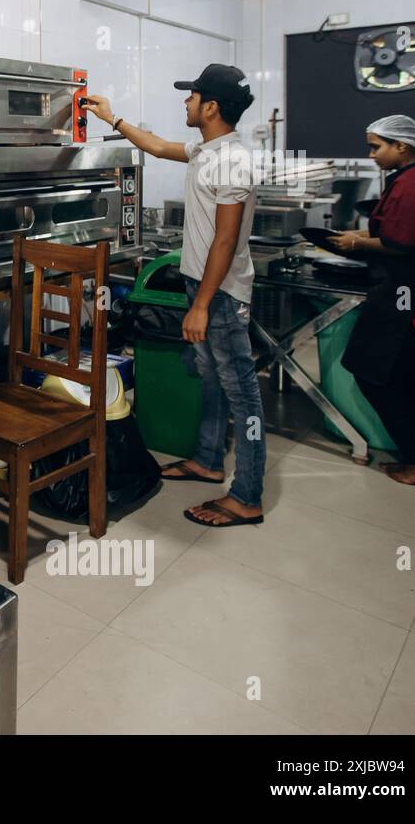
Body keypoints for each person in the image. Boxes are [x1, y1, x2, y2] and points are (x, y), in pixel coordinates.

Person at [85, 64, 264, 528]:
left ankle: (247, 496)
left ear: (211, 107)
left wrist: (202, 304)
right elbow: (160, 147)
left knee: (243, 393)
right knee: (211, 378)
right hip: (203, 285)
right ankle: (207, 460)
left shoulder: (233, 161)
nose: (185, 103)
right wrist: (113, 119)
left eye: (192, 96)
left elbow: (225, 242)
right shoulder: (209, 149)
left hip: (220, 293)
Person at [330, 115, 415, 487]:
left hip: (406, 299)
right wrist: (364, 234)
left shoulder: (414, 184)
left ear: (402, 146)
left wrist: (357, 242)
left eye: (376, 147)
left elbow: (403, 244)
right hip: (411, 296)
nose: (372, 155)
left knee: (375, 373)